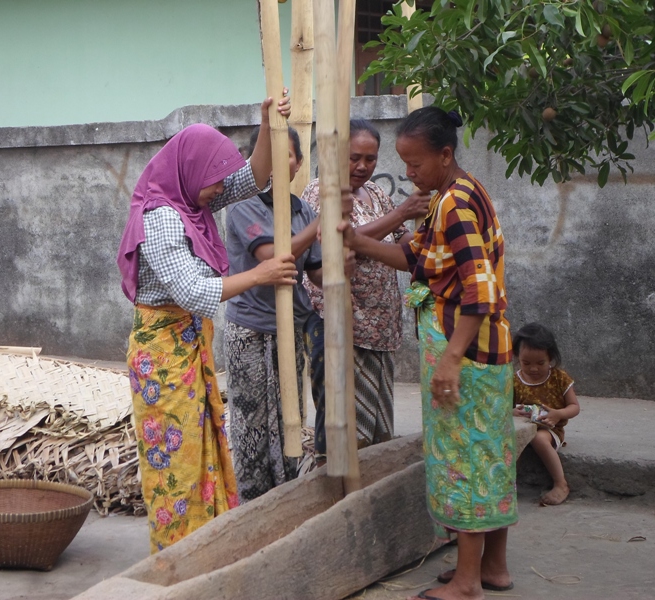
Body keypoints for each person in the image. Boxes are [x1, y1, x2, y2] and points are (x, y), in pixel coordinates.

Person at [340, 106, 517, 600]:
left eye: (415, 164)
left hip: (472, 352)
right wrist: (357, 240)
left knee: (465, 460)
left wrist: (451, 358)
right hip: (484, 351)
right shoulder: (451, 196)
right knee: (490, 455)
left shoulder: (456, 204)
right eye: (405, 164)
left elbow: (478, 291)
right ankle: (493, 567)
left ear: (444, 155)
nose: (409, 174)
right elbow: (416, 260)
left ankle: (465, 583)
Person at [116, 94, 297, 553]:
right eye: (212, 182)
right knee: (176, 459)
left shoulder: (193, 204)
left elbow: (252, 179)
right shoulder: (161, 218)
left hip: (189, 345)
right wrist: (259, 275)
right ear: (190, 171)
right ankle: (177, 553)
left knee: (202, 449)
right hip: (163, 357)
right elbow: (194, 293)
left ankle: (207, 543)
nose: (219, 190)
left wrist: (263, 124)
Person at [301, 119, 430, 460]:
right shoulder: (320, 191)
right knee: (344, 429)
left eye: (370, 159)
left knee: (375, 427)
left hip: (380, 325)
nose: (362, 166)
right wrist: (403, 210)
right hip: (342, 323)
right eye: (354, 158)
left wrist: (425, 239)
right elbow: (343, 240)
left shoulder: (374, 192)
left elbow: (402, 236)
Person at [224, 126, 328, 502]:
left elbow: (313, 270)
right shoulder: (243, 206)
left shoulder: (303, 210)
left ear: (298, 164)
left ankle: (284, 500)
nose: (279, 162)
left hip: (290, 329)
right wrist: (320, 224)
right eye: (271, 154)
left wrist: (343, 254)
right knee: (252, 425)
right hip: (250, 330)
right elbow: (273, 257)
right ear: (255, 162)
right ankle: (252, 505)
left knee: (289, 421)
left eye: (289, 154)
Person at [512, 322, 580, 506]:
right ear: (518, 357)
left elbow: (574, 406)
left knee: (539, 438)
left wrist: (558, 414)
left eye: (540, 363)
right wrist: (512, 411)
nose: (533, 368)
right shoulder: (514, 380)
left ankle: (561, 483)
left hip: (550, 428)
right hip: (522, 428)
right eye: (526, 363)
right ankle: (507, 484)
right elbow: (505, 407)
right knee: (507, 439)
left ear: (551, 357)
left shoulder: (559, 378)